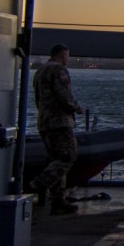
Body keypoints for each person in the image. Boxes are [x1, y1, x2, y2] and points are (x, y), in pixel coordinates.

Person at [29, 43, 82, 215]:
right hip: (60, 122)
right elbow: (64, 95)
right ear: (62, 55)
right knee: (68, 156)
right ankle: (38, 184)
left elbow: (38, 98)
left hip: (44, 121)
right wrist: (76, 107)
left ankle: (58, 201)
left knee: (56, 159)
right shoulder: (59, 71)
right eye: (67, 56)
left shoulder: (40, 71)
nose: (68, 59)